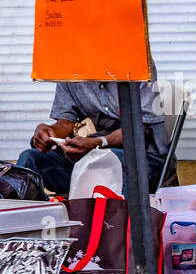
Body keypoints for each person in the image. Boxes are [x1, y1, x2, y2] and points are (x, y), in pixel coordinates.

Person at [17, 79, 168, 194]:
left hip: (142, 161)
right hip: (89, 159)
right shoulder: (70, 66)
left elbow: (137, 130)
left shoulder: (136, 60)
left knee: (110, 160)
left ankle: (118, 230)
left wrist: (98, 143)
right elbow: (65, 124)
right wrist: (49, 132)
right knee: (30, 158)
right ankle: (30, 225)